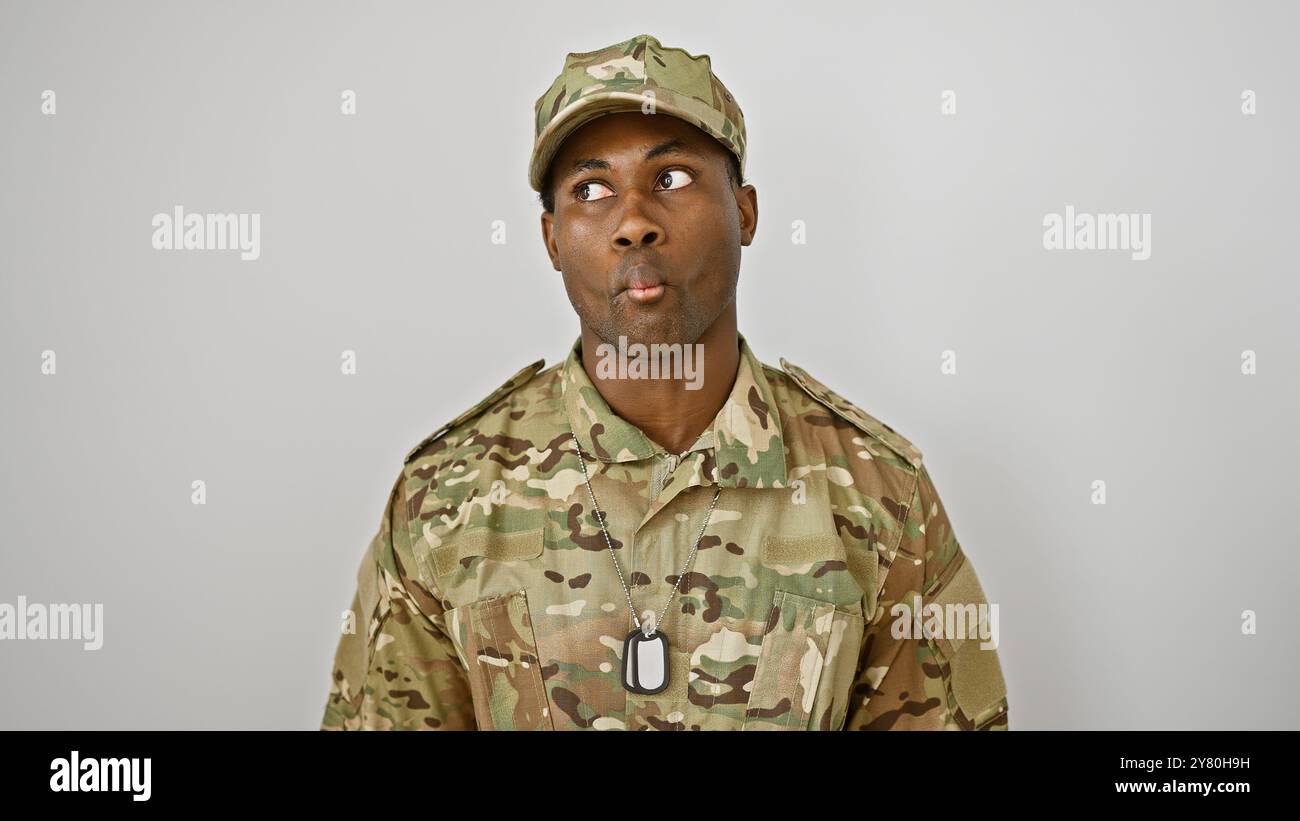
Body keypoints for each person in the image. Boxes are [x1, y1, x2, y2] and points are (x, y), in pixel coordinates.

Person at [320, 33, 1008, 731]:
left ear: (745, 212)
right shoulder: (445, 501)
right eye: (591, 190)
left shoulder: (880, 498)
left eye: (671, 178)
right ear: (552, 239)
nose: (634, 223)